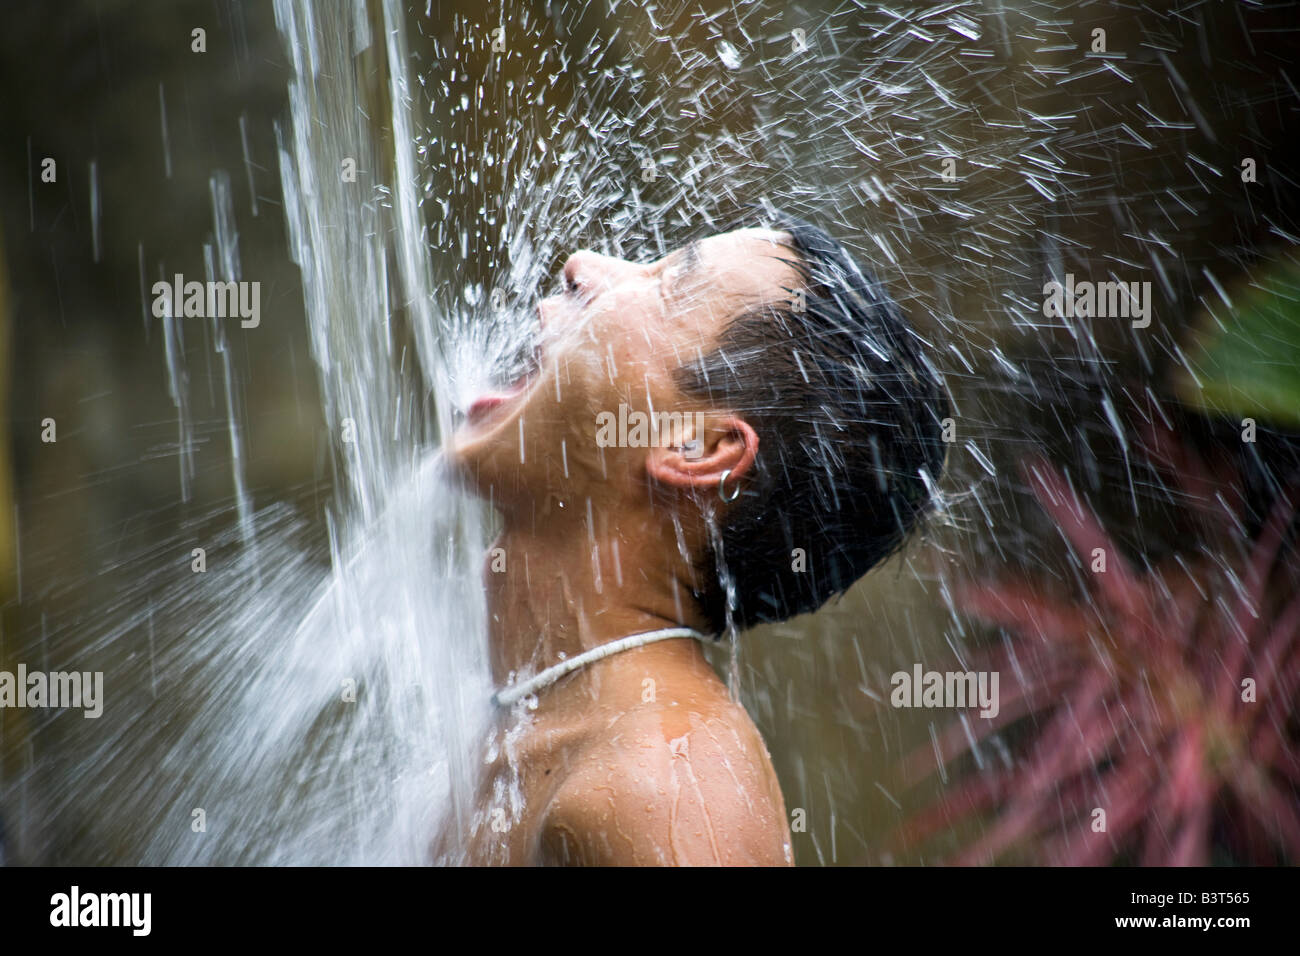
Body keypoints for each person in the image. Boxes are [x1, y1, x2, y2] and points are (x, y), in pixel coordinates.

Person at [443, 211, 947, 865]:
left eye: (668, 283)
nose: (584, 262)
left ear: (699, 448)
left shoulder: (669, 790)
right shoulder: (535, 726)